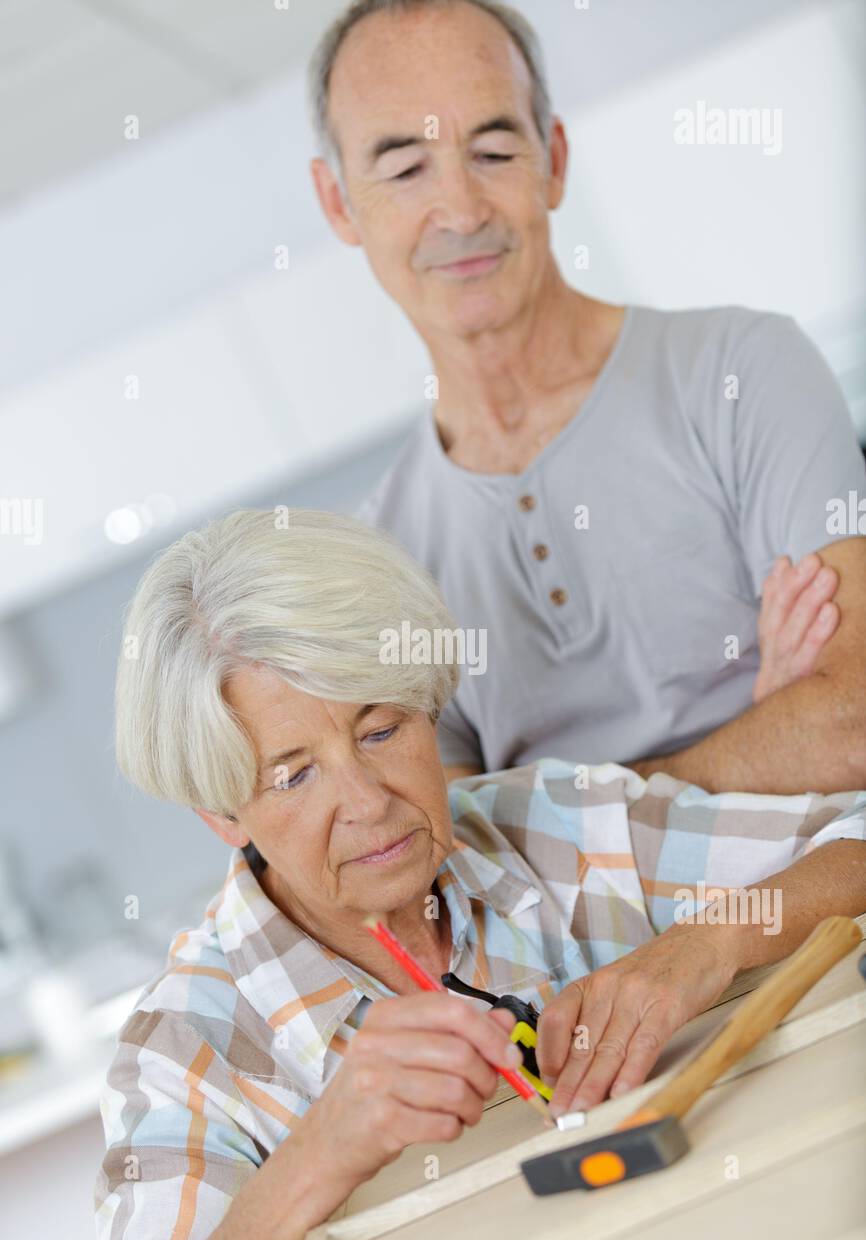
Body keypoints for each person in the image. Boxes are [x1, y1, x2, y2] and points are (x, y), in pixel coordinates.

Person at [72, 509, 865, 1240]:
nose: (367, 801)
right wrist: (315, 1162)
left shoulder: (556, 828)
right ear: (221, 814)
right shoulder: (187, 1050)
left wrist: (705, 943)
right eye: (294, 775)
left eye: (381, 730)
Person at [307, 0, 866, 793]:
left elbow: (850, 724)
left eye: (495, 151)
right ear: (339, 204)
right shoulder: (380, 569)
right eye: (404, 170)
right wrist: (762, 744)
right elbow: (462, 865)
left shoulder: (744, 371)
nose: (462, 211)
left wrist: (539, 806)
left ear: (554, 160)